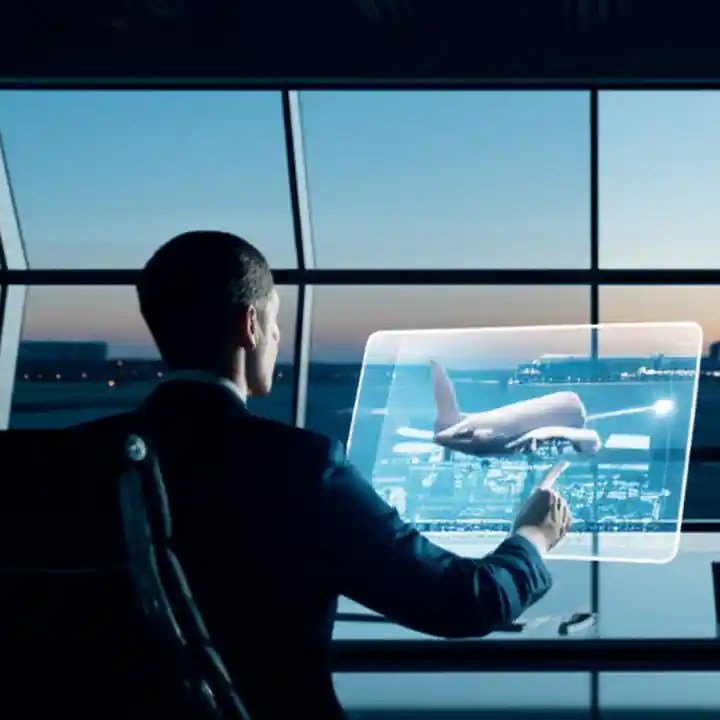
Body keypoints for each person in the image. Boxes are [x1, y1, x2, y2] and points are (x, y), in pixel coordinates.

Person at [83, 230, 573, 719]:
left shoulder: (83, 456)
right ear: (250, 325)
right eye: (274, 321)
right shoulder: (299, 467)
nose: (277, 338)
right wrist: (532, 537)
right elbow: (464, 602)